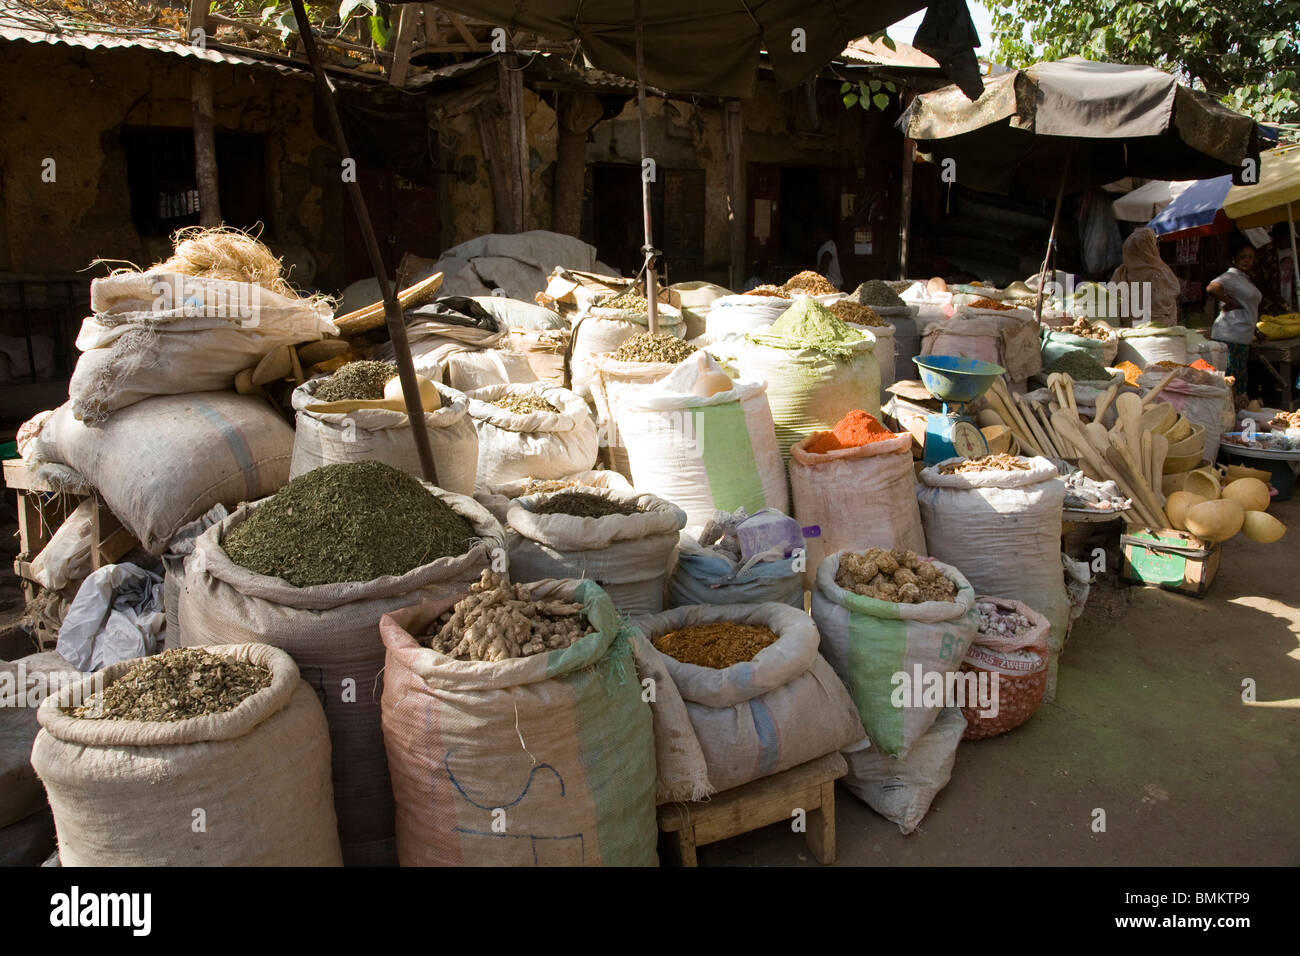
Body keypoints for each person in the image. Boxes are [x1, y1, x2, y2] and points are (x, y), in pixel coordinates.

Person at [1206, 237, 1262, 394]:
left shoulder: (1245, 278)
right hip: (1230, 334)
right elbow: (1212, 287)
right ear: (1234, 259)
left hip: (1242, 334)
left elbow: (1249, 306)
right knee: (1230, 380)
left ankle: (1237, 410)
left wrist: (1255, 330)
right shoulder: (1230, 276)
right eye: (1243, 257)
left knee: (1237, 379)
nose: (1247, 261)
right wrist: (1230, 302)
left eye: (1250, 257)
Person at [1109, 227, 1182, 327]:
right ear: (1150, 248)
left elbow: (1112, 303)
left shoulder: (1121, 272)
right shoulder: (1158, 273)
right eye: (1155, 244)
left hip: (1129, 334)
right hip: (1159, 334)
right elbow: (1162, 309)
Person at [813, 225, 843, 290]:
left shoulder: (829, 245)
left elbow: (824, 266)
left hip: (832, 283)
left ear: (822, 233)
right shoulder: (825, 246)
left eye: (816, 233)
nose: (815, 235)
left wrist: (817, 280)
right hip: (829, 282)